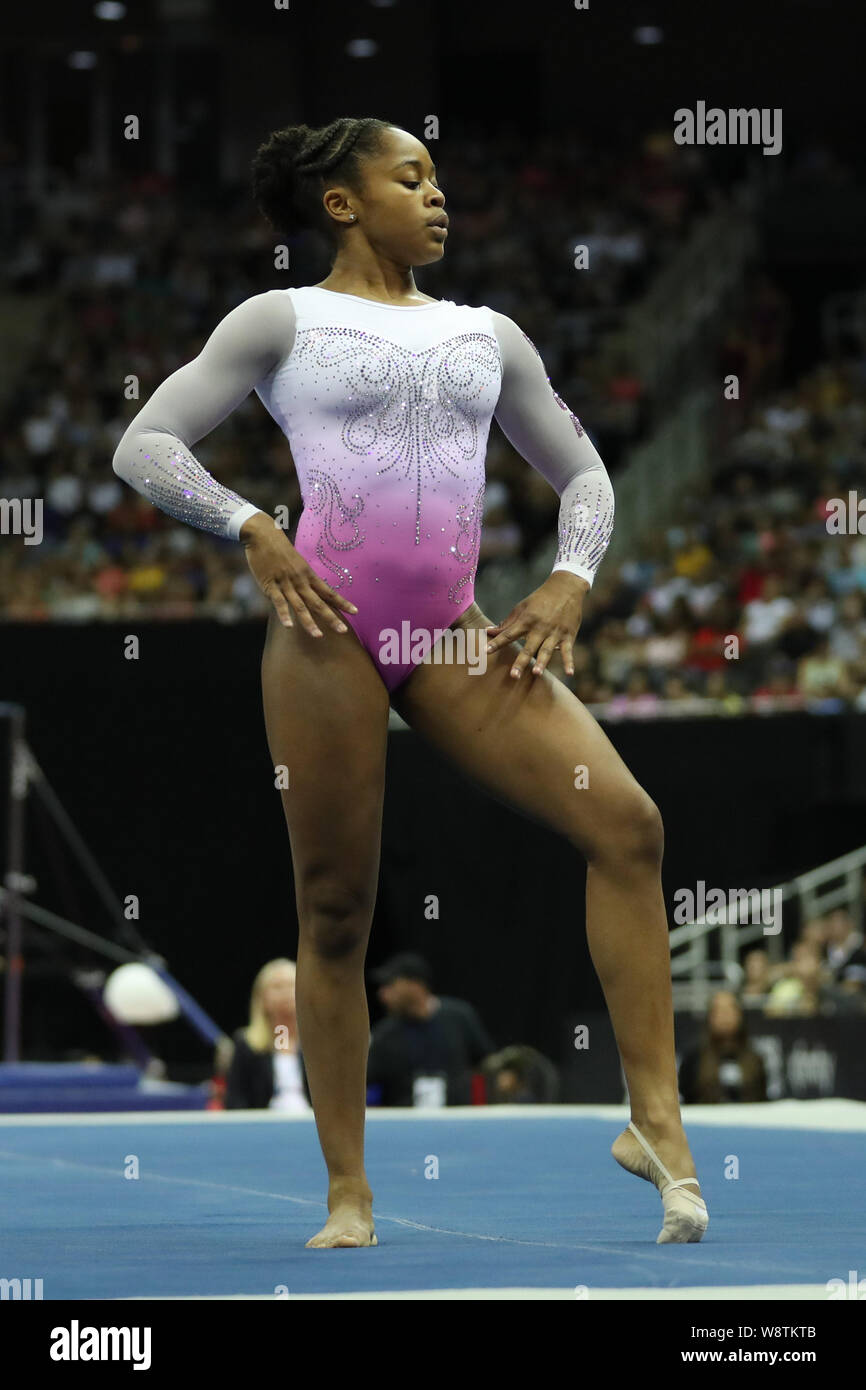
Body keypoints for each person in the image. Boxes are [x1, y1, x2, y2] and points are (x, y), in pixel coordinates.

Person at [111, 116, 707, 1248]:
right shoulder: (282, 320)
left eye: (437, 177)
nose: (437, 196)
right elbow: (145, 443)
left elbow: (580, 470)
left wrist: (569, 578)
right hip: (326, 633)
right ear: (341, 202)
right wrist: (251, 525)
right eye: (411, 175)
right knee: (335, 913)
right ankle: (349, 1191)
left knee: (627, 826)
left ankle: (654, 1119)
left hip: (451, 639)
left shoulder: (488, 334)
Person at [366, 953, 493, 1106]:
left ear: (415, 984)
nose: (382, 994)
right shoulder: (383, 1035)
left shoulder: (458, 1016)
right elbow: (364, 1079)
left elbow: (486, 1062)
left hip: (457, 1122)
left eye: (390, 984)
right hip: (404, 1124)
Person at [223, 958, 312, 1111]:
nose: (285, 993)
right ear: (262, 997)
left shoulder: (319, 1044)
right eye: (277, 987)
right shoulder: (246, 1044)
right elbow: (235, 1101)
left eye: (291, 985)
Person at [678, 991, 767, 1103]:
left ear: (740, 1015)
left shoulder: (756, 1059)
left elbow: (762, 1101)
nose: (725, 1016)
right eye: (719, 1011)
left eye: (730, 1010)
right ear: (709, 1017)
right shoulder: (693, 1059)